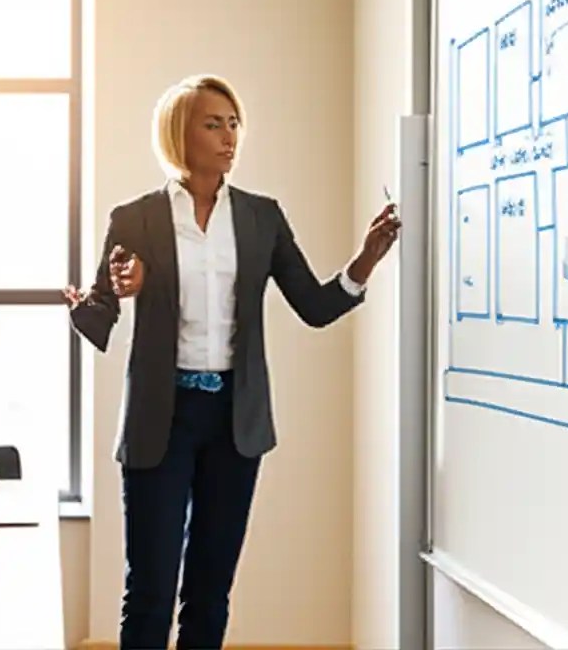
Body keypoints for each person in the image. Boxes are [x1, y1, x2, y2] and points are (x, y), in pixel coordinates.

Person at [65, 74, 401, 649]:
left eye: (234, 123)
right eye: (213, 123)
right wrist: (110, 293)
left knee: (210, 589)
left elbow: (315, 306)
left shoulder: (261, 217)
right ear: (180, 133)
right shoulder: (136, 218)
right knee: (150, 588)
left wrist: (364, 261)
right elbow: (101, 313)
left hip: (234, 422)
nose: (229, 136)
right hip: (160, 419)